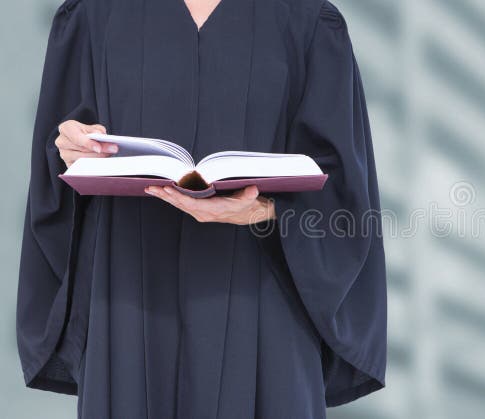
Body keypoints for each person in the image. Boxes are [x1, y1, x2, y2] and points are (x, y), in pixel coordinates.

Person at [16, 0, 387, 417]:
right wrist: (70, 148)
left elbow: (345, 194)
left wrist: (265, 210)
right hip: (128, 303)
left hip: (264, 307)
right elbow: (56, 176)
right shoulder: (93, 16)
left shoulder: (309, 22)